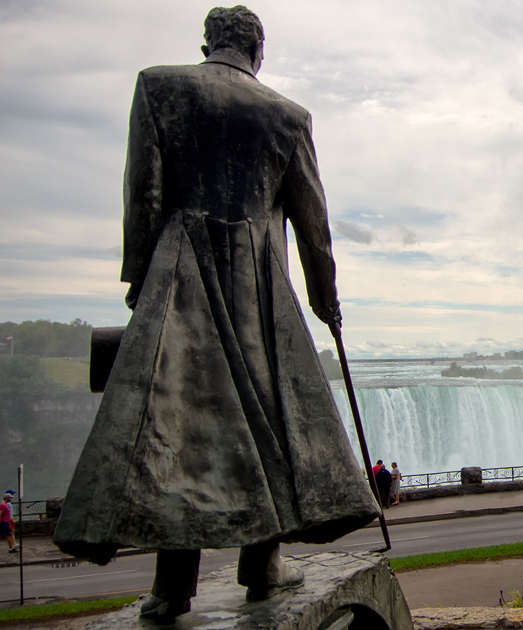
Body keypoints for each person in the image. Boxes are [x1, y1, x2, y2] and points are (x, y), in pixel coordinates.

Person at [51, 8, 380, 622]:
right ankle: (263, 564)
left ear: (208, 44)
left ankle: (172, 587)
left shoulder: (159, 86)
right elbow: (315, 226)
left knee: (180, 426)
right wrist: (325, 299)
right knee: (269, 419)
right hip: (260, 280)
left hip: (183, 271)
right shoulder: (288, 116)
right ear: (259, 50)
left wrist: (141, 285)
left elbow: (143, 195)